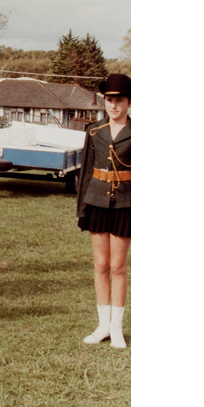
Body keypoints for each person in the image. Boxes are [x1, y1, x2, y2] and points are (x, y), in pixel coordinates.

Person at [76, 73, 131, 348]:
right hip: (97, 203)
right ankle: (103, 326)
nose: (113, 106)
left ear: (128, 103)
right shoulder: (94, 131)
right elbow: (86, 173)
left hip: (125, 205)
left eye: (119, 100)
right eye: (109, 100)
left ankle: (117, 329)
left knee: (118, 266)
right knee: (100, 265)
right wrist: (82, 209)